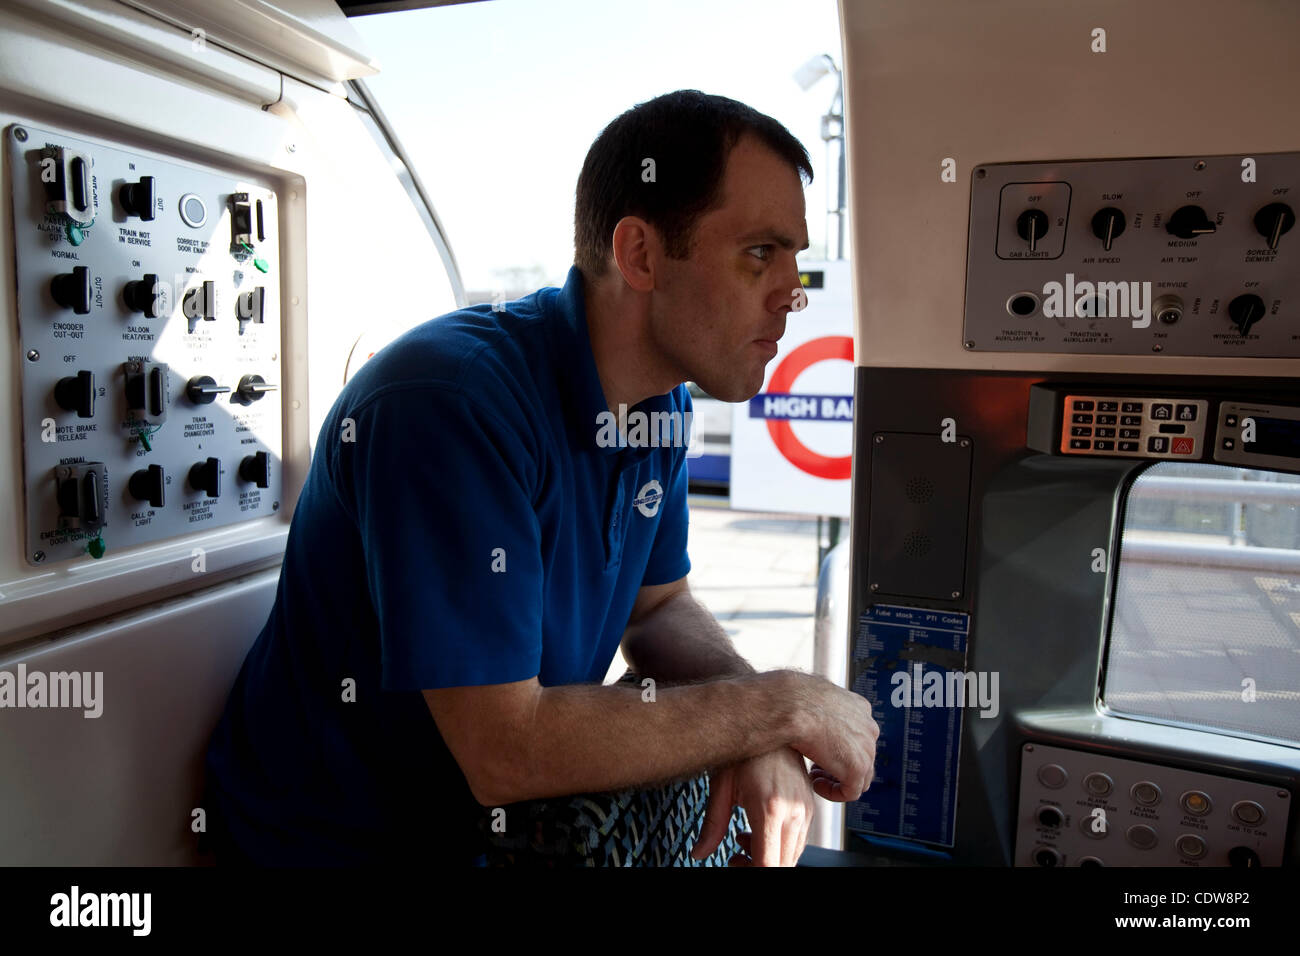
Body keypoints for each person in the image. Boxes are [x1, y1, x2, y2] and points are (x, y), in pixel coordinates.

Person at [203, 89, 879, 868]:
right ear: (641, 255)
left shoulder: (659, 403)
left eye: (796, 259)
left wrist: (761, 729)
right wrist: (775, 706)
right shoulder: (450, 405)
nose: (793, 293)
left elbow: (659, 609)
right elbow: (506, 750)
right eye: (761, 253)